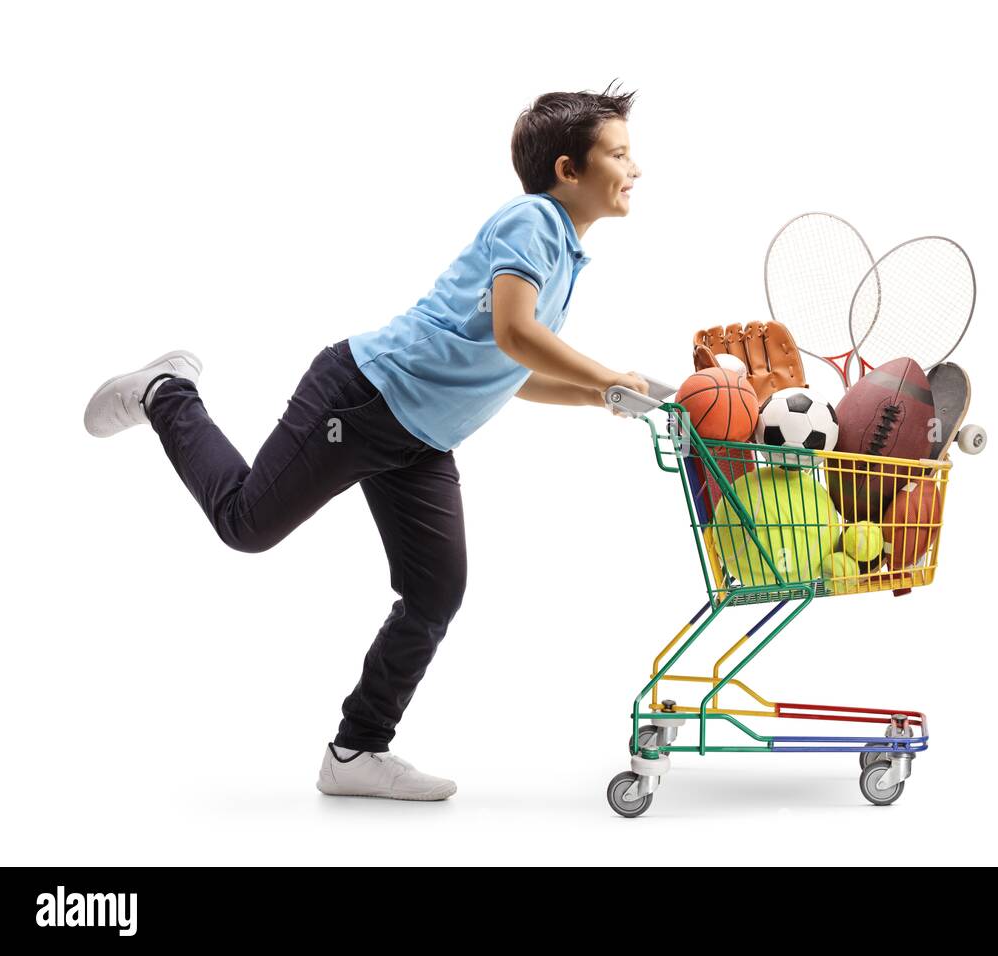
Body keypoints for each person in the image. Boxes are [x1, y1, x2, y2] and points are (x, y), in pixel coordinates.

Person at [82, 81, 647, 801]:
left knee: (435, 592)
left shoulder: (566, 258)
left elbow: (509, 368)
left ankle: (355, 752)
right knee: (247, 525)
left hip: (419, 441)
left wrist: (600, 394)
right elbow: (516, 336)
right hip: (364, 396)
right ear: (569, 170)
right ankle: (167, 394)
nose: (635, 169)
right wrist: (603, 375)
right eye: (621, 154)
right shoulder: (534, 221)